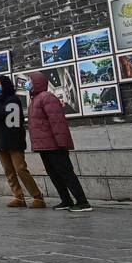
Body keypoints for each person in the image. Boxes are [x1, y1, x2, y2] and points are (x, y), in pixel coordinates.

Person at [27, 72, 93, 213]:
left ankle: (82, 202)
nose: (28, 83)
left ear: (37, 82)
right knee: (54, 174)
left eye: (30, 80)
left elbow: (58, 123)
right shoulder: (35, 100)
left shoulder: (47, 97)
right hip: (44, 145)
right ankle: (66, 200)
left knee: (66, 173)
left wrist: (62, 143)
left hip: (54, 145)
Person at [0, 75, 46, 208]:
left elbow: (3, 114)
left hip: (13, 140)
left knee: (20, 169)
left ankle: (37, 196)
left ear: (5, 85)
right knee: (8, 171)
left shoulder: (12, 100)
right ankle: (18, 196)